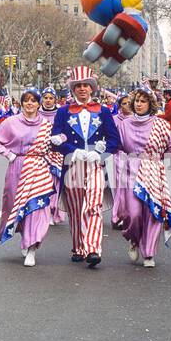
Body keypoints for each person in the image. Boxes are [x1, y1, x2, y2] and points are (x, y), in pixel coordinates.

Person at [51, 66, 122, 268]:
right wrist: (72, 151)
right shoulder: (63, 112)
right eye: (78, 86)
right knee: (75, 209)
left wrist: (99, 152)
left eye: (86, 85)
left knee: (93, 205)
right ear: (73, 89)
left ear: (92, 88)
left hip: (95, 166)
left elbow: (114, 140)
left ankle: (93, 249)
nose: (82, 89)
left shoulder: (104, 111)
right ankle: (78, 247)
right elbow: (54, 140)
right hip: (72, 165)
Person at [0, 88, 64, 265]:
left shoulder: (47, 124)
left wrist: (60, 139)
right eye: (26, 100)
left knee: (37, 207)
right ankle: (25, 235)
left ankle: (32, 246)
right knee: (14, 205)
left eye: (33, 100)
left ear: (39, 104)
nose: (30, 103)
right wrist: (8, 154)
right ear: (22, 103)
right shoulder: (11, 122)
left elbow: (62, 137)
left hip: (39, 166)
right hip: (17, 166)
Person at [119, 88, 171, 267]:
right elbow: (118, 146)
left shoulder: (160, 124)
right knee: (134, 214)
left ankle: (149, 254)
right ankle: (134, 239)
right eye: (137, 100)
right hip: (130, 170)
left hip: (152, 171)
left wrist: (158, 159)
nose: (139, 104)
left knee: (154, 213)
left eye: (143, 101)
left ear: (150, 104)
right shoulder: (125, 123)